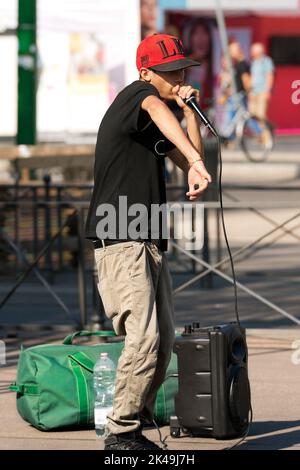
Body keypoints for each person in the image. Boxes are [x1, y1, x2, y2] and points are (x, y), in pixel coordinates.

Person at [85, 33, 211, 450]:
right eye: (171, 71)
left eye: (182, 70)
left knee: (163, 340)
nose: (179, 77)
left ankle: (134, 424)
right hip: (120, 235)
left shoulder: (153, 124)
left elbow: (191, 152)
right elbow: (157, 106)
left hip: (148, 236)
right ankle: (120, 433)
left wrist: (189, 111)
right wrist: (191, 158)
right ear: (146, 72)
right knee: (144, 337)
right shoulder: (135, 97)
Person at [183, 18, 213, 110]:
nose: (201, 38)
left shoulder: (214, 65)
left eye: (204, 33)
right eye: (196, 33)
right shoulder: (183, 64)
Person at [249, 42, 274, 121]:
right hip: (253, 92)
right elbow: (252, 77)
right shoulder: (253, 62)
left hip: (262, 91)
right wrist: (250, 91)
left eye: (253, 51)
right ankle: (260, 131)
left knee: (261, 114)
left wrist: (268, 91)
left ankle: (266, 132)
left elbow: (269, 76)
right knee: (252, 114)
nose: (251, 53)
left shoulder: (266, 61)